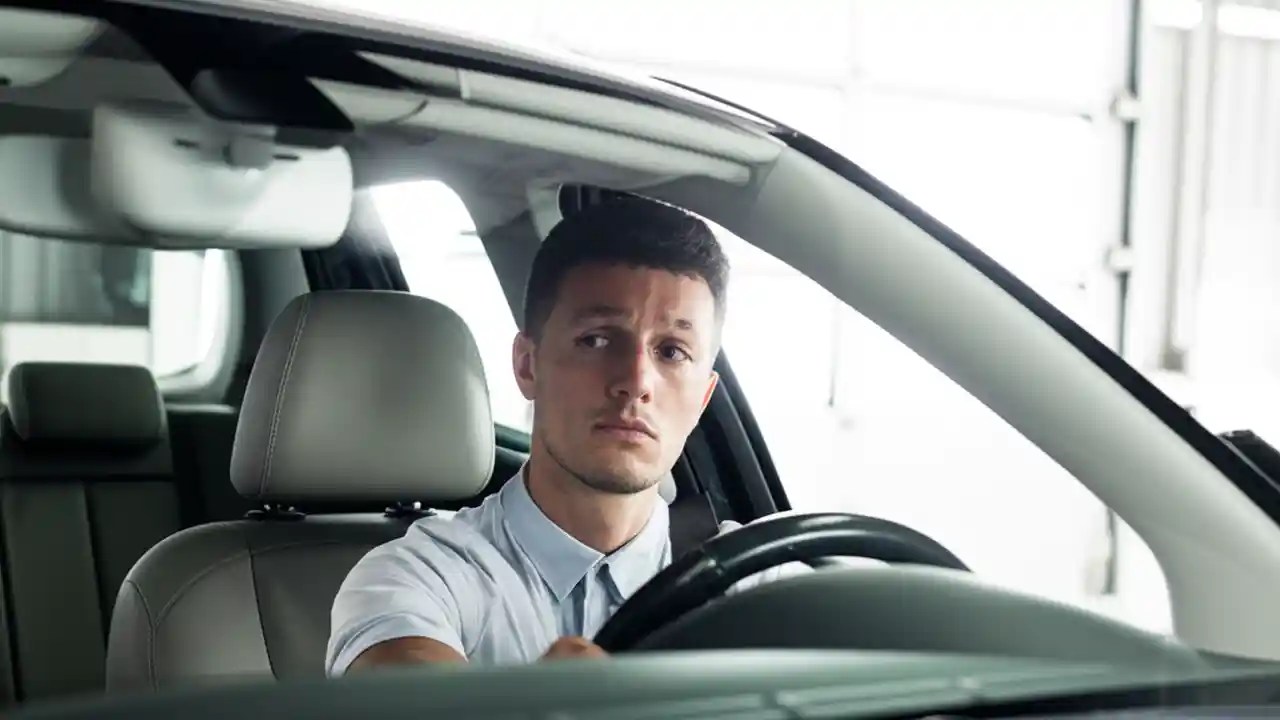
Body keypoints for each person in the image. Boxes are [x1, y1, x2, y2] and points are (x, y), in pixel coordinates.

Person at [326, 196, 787, 674]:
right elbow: (404, 690)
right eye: (597, 339)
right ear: (528, 365)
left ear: (703, 397)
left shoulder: (756, 575)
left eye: (671, 351)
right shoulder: (418, 574)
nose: (636, 381)